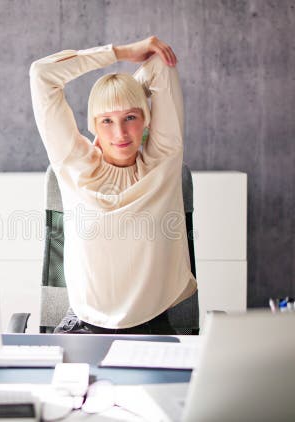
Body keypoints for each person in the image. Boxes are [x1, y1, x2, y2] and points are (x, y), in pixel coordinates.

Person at [29, 36, 197, 335]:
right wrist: (119, 53)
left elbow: (160, 64)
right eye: (106, 120)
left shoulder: (163, 163)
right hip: (82, 328)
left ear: (146, 119)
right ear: (92, 125)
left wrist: (126, 90)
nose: (120, 132)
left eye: (130, 117)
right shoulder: (74, 164)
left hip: (150, 328)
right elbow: (42, 75)